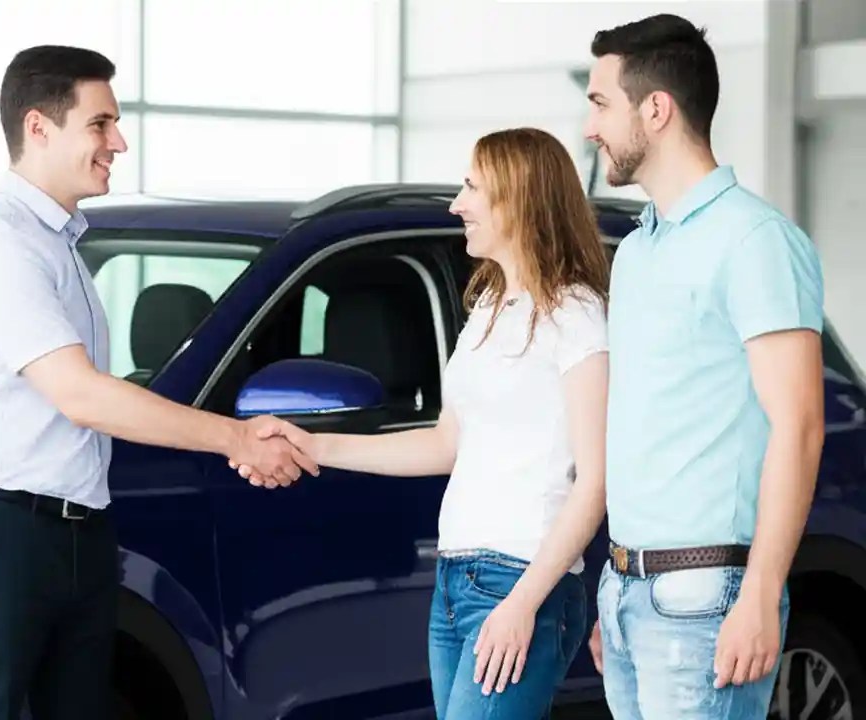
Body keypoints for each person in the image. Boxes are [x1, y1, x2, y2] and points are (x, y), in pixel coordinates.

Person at [0, 45, 317, 720]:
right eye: (100, 124)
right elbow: (81, 394)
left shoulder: (58, 243)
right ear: (39, 127)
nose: (119, 141)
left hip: (78, 533)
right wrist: (235, 438)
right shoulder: (0, 245)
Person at [235, 127, 611, 719]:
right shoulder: (489, 308)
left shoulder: (576, 315)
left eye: (471, 187)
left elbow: (594, 482)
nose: (457, 204)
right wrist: (314, 444)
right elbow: (445, 443)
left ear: (519, 198)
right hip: (457, 578)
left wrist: (522, 604)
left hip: (520, 579)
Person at [582, 14, 825, 719]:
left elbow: (800, 427)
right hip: (632, 591)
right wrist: (619, 588)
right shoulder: (638, 250)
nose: (591, 127)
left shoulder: (754, 241)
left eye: (601, 103)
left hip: (705, 598)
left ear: (655, 109)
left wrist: (759, 593)